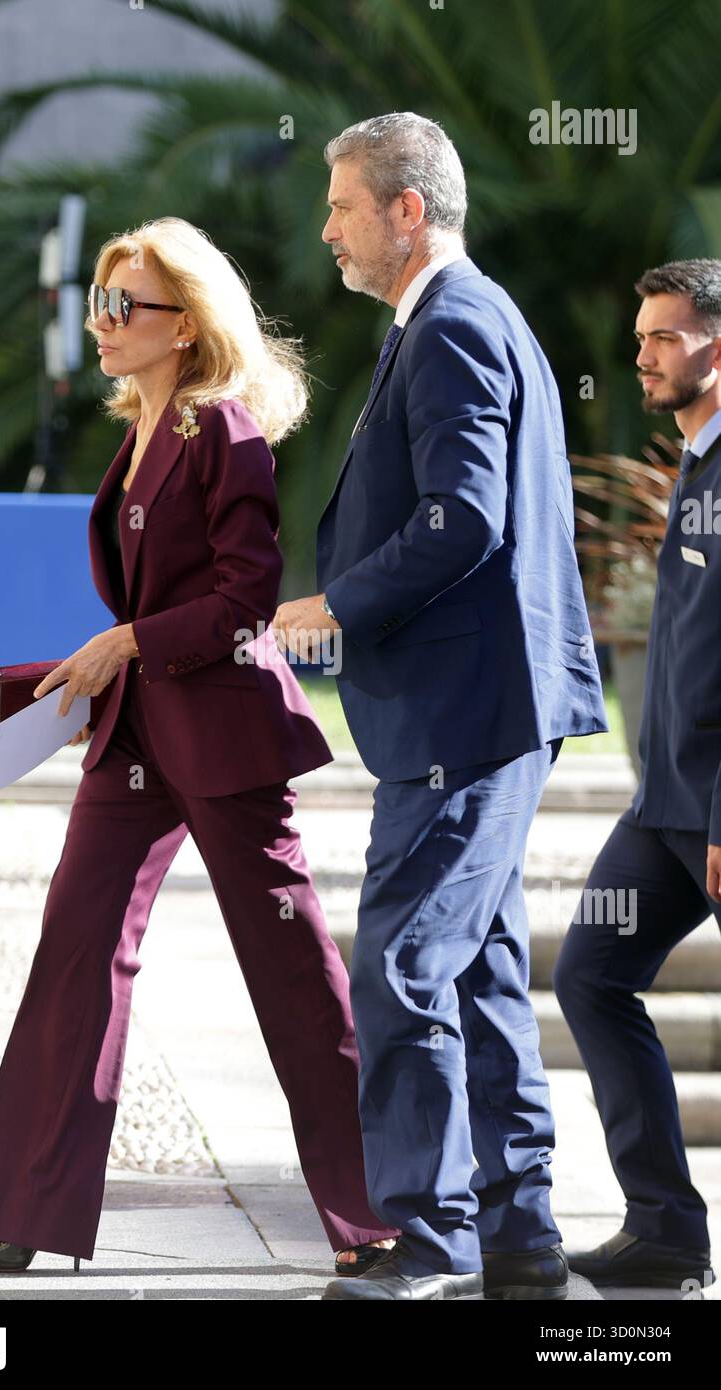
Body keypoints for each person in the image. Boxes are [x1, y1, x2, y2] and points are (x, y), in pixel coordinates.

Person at [0, 215, 399, 1275]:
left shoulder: (219, 431)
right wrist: (107, 657)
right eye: (97, 303)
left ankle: (373, 1216)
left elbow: (245, 598)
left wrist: (126, 640)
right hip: (134, 738)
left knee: (292, 973)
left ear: (186, 326)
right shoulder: (139, 427)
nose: (102, 323)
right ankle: (27, 1206)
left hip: (227, 733)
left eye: (125, 306)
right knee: (74, 949)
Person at [274, 112, 607, 1302]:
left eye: (342, 205)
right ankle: (519, 1242)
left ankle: (430, 1241)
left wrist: (332, 608)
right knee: (473, 973)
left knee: (403, 966)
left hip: (466, 710)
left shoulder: (454, 324)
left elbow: (460, 519)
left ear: (405, 210)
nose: (327, 229)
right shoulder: (452, 321)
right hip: (480, 704)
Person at [555, 259, 721, 1291]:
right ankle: (662, 1224)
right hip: (665, 803)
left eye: (662, 336)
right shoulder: (696, 463)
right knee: (588, 973)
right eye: (641, 334)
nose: (641, 353)